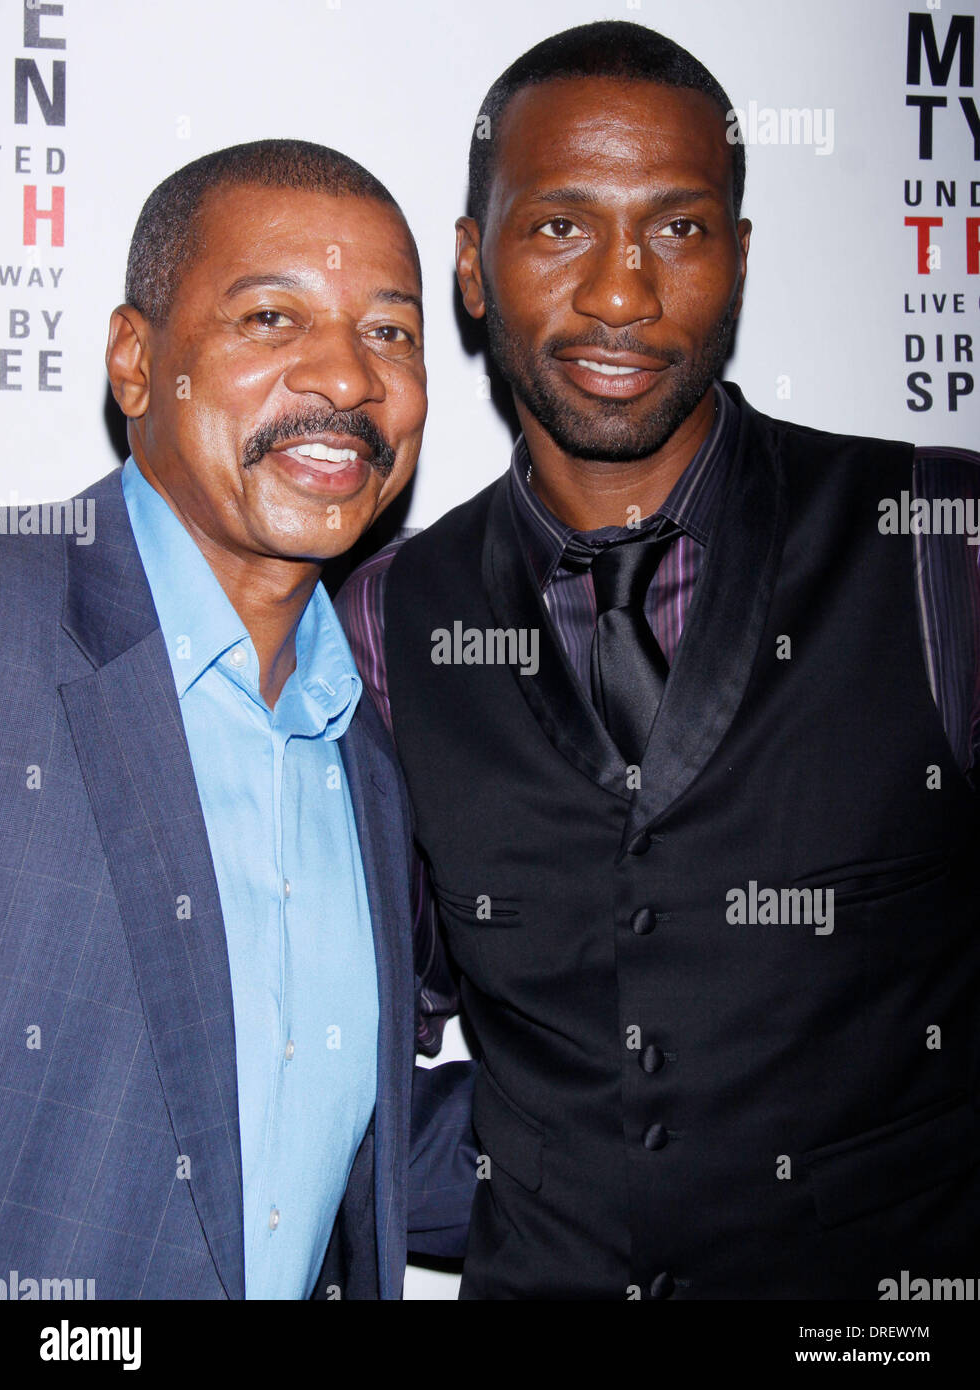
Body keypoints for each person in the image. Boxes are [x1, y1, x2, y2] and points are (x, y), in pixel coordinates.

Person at [337, 23, 980, 1299]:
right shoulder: (384, 617)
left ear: (739, 263)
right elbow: (355, 1045)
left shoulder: (939, 542)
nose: (622, 292)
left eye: (679, 230)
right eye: (560, 227)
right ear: (473, 267)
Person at [0, 139, 475, 1301]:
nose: (349, 380)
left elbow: (309, 1118)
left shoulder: (371, 738)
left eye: (391, 332)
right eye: (271, 317)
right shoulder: (8, 623)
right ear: (136, 361)